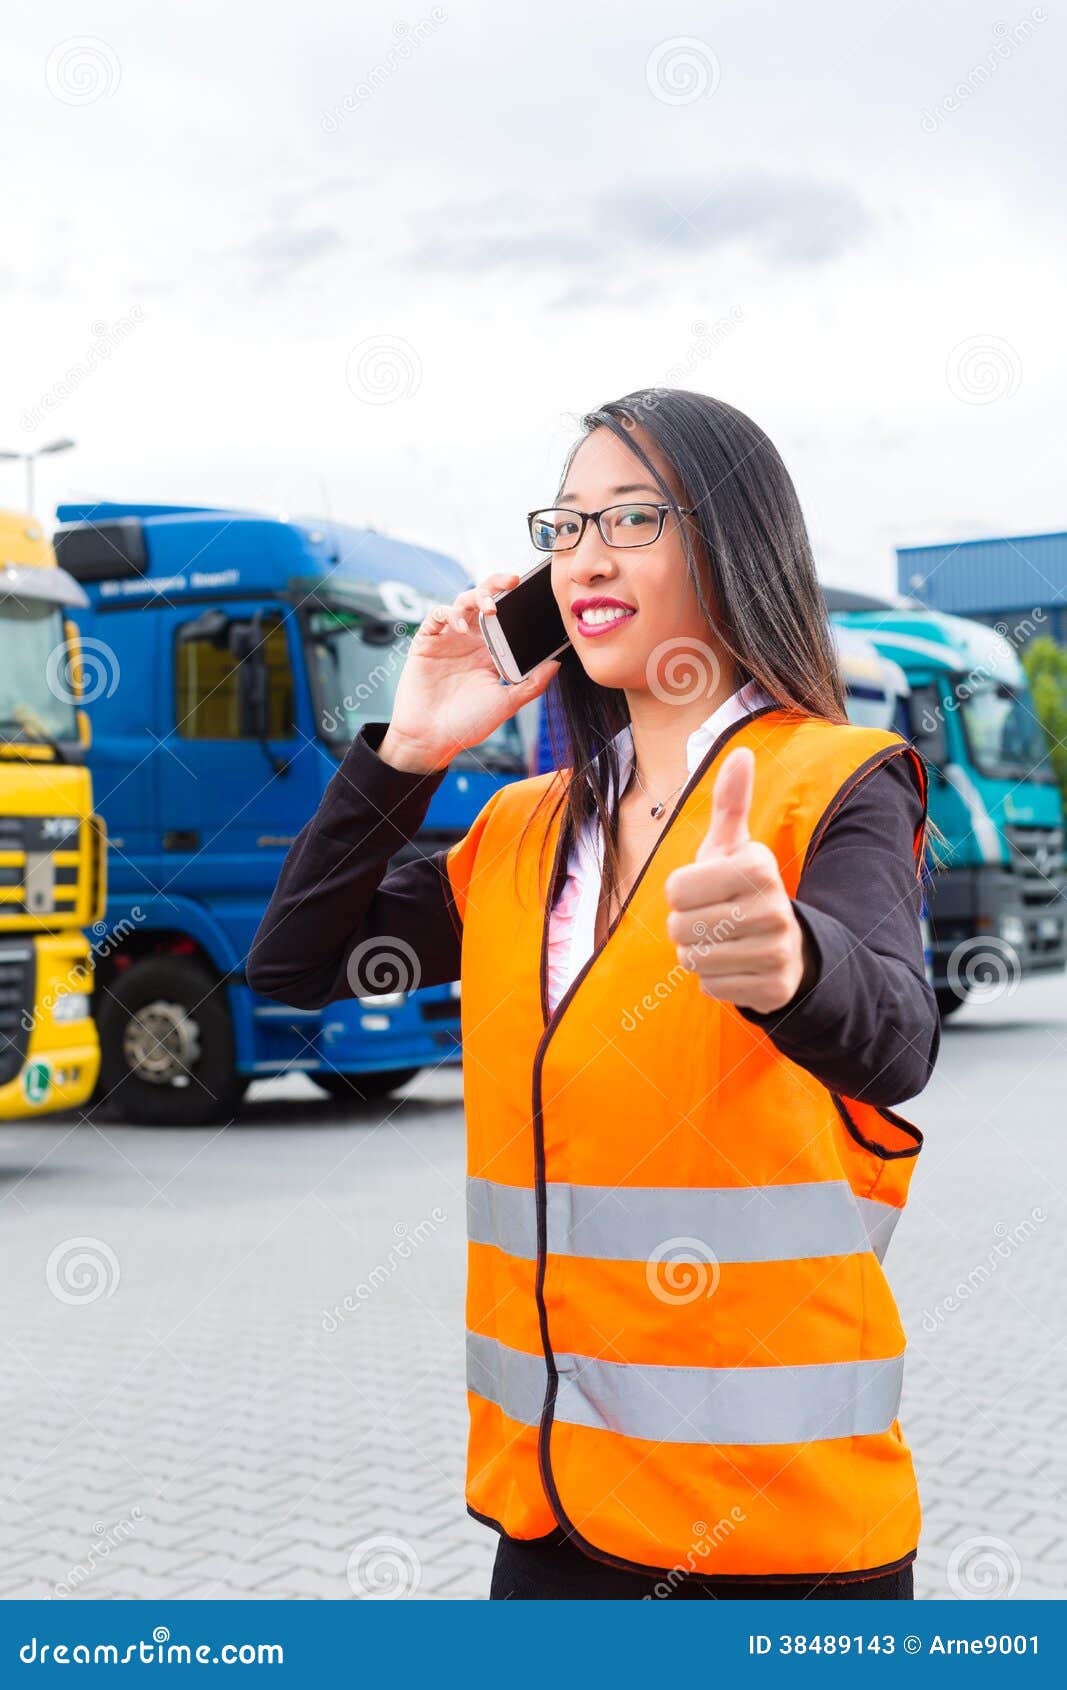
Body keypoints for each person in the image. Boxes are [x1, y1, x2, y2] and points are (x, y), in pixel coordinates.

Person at [247, 388, 940, 1600]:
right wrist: (406, 752)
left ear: (732, 546)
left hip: (774, 1534)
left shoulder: (827, 782)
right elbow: (293, 967)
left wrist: (791, 967)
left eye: (629, 519)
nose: (583, 559)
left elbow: (892, 1036)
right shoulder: (522, 831)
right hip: (552, 1516)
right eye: (562, 528)